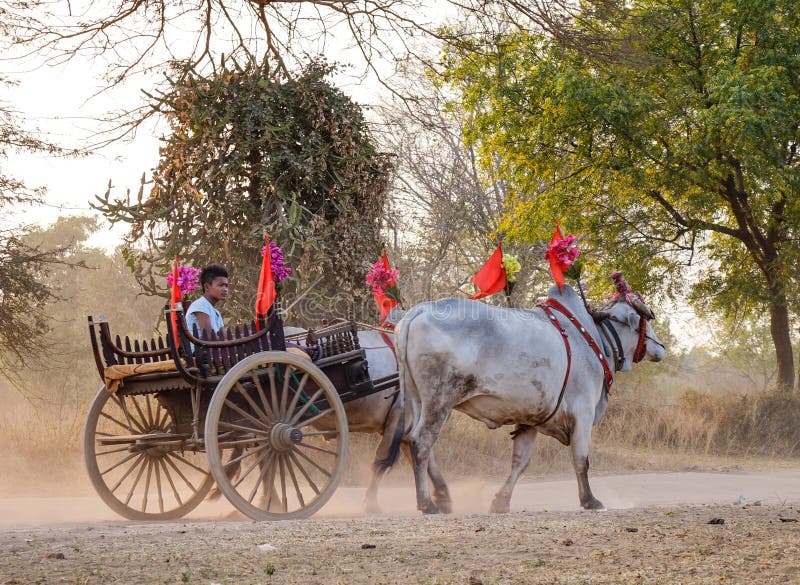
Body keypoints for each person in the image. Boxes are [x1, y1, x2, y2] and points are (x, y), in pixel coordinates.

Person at [185, 264, 228, 339]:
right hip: (202, 350)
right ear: (207, 287)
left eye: (226, 286)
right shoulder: (200, 305)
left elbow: (225, 337)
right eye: (221, 285)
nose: (225, 289)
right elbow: (209, 337)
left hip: (215, 349)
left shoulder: (216, 312)